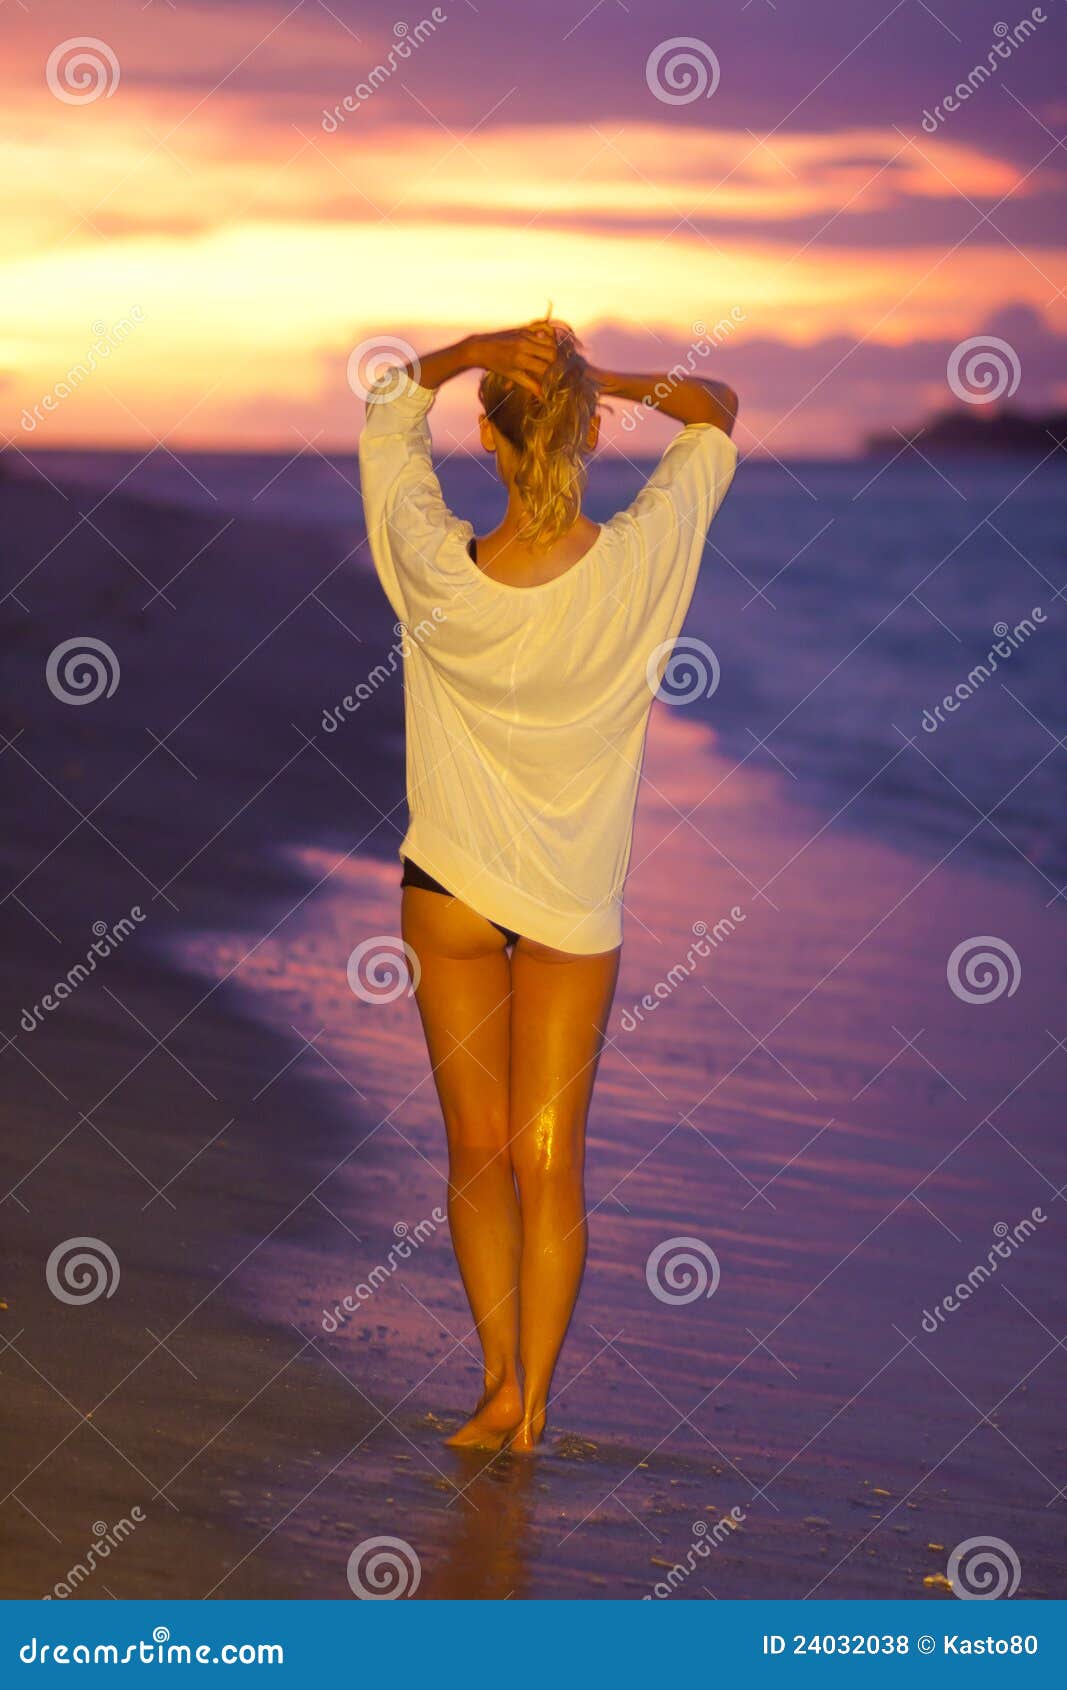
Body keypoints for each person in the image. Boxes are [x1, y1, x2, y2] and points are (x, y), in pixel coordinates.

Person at [358, 319, 738, 1450]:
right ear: (583, 428)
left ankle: (492, 1391)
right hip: (571, 906)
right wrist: (607, 378)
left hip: (449, 889)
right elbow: (715, 407)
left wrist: (469, 349)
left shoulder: (431, 568)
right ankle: (532, 1415)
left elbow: (387, 404)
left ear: (484, 431)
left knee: (472, 1145)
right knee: (547, 1156)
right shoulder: (637, 563)